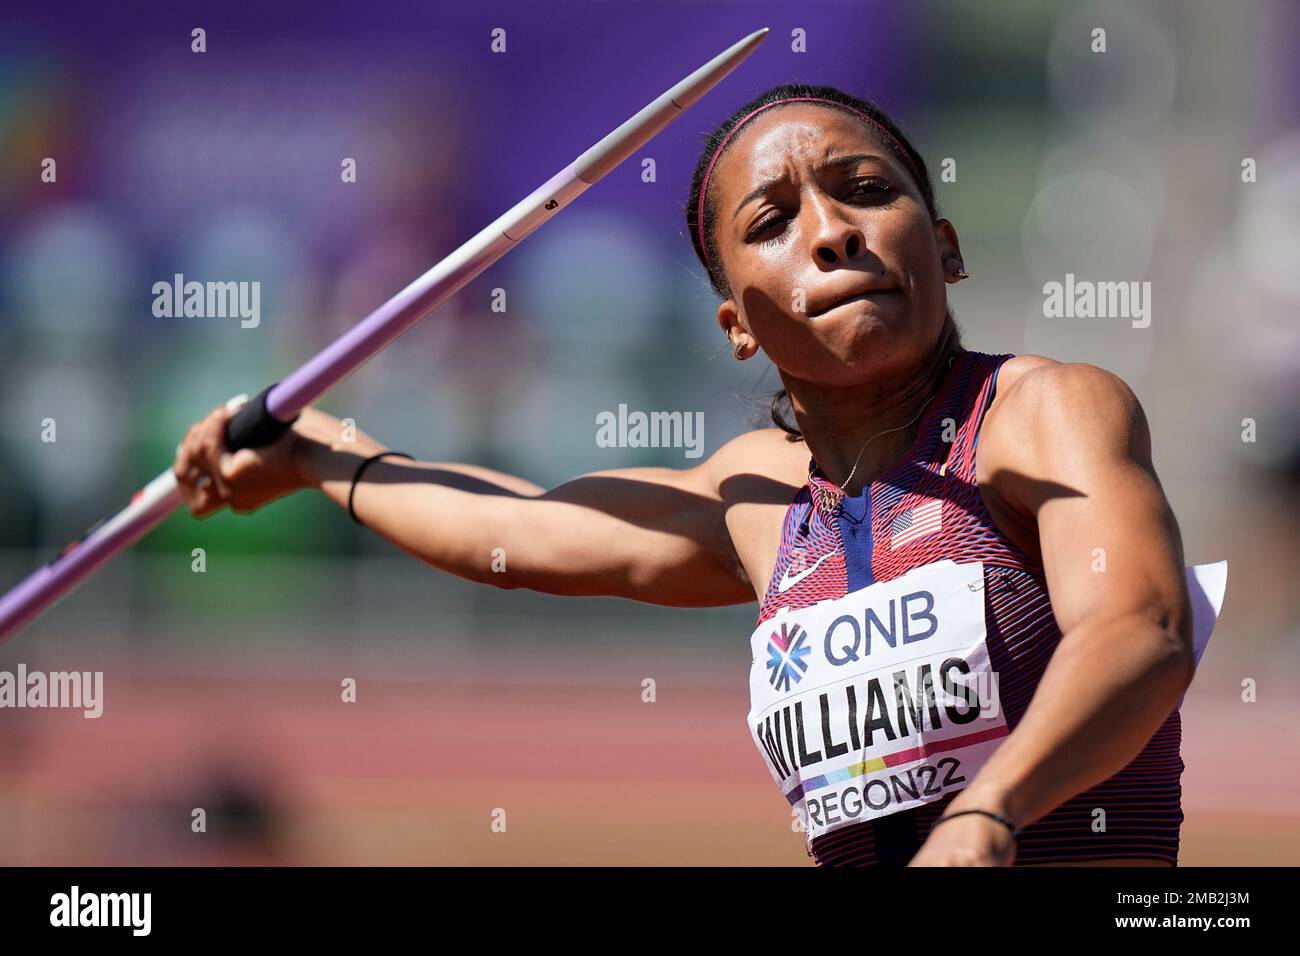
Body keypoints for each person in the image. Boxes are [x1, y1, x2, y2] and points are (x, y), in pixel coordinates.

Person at [172, 83, 1196, 867]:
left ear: (945, 247)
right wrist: (318, 455)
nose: (832, 231)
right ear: (737, 328)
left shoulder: (1040, 408)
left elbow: (1137, 630)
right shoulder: (757, 501)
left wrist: (987, 809)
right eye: (771, 223)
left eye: (867, 192)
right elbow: (517, 532)